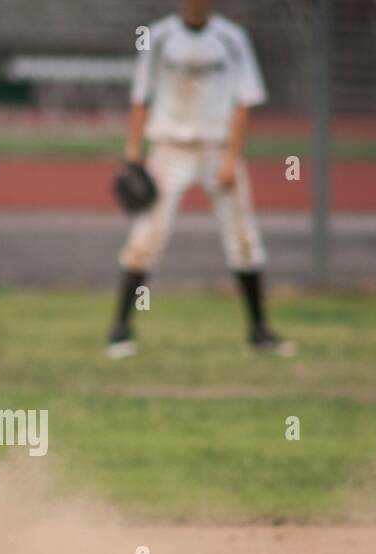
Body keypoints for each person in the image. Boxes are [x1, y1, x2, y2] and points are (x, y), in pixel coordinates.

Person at [107, 0, 292, 359]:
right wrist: (133, 151)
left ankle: (259, 331)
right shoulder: (159, 37)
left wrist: (231, 158)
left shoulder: (232, 38)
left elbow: (245, 100)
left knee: (243, 237)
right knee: (146, 238)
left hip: (217, 148)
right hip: (169, 147)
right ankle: (120, 329)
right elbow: (141, 96)